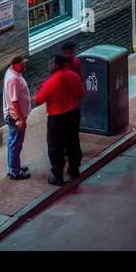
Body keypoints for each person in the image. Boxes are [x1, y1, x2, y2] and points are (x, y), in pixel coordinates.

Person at [34, 54, 85, 185]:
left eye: (51, 63)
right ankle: (74, 169)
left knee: (55, 147)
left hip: (57, 119)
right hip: (73, 114)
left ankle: (58, 176)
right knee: (73, 142)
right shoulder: (74, 77)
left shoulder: (51, 82)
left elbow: (38, 100)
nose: (49, 66)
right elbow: (81, 93)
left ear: (56, 64)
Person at [2, 55, 31, 180]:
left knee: (12, 142)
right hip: (15, 117)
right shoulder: (13, 79)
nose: (24, 65)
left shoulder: (11, 72)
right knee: (16, 144)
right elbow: (14, 101)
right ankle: (14, 171)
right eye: (21, 64)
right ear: (14, 65)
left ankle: (15, 166)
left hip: (14, 116)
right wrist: (21, 119)